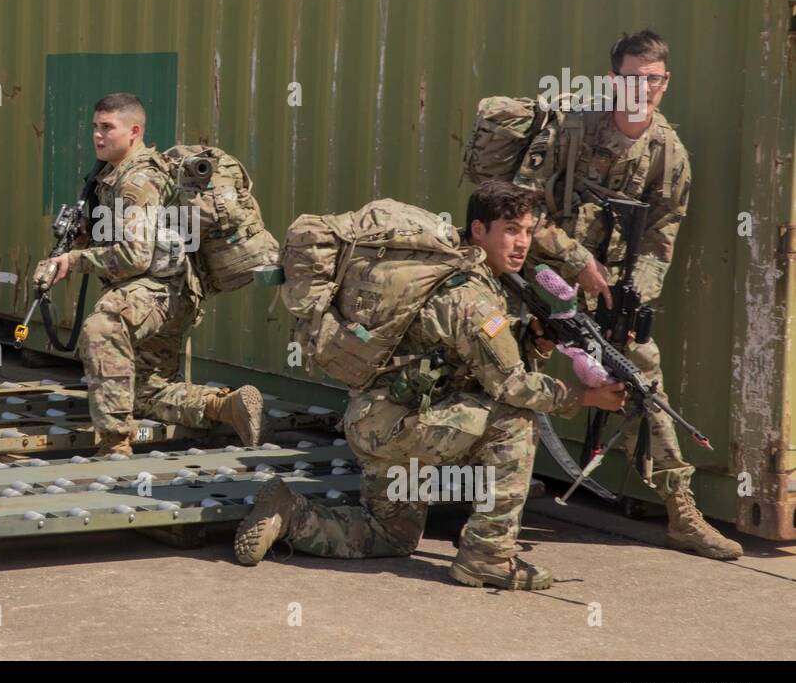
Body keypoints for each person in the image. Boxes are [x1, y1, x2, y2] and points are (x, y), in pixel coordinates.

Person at [233, 182, 628, 590]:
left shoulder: (458, 273)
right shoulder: (470, 297)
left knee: (391, 535)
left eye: (527, 231)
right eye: (510, 229)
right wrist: (585, 397)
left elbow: (468, 355)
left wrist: (533, 341)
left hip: (379, 421)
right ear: (479, 230)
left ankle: (289, 514)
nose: (522, 243)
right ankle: (487, 556)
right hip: (405, 426)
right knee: (514, 421)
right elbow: (511, 385)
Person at [514, 29, 740, 559]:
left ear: (667, 83)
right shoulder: (573, 129)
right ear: (615, 79)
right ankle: (488, 493)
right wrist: (576, 260)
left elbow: (661, 241)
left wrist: (632, 302)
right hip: (535, 277)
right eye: (635, 78)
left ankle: (682, 512)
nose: (646, 89)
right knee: (501, 370)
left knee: (643, 377)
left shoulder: (669, 154)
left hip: (608, 295)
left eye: (655, 79)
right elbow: (518, 210)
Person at [34, 92, 263, 456]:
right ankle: (223, 407)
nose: (98, 135)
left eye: (107, 128)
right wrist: (88, 235)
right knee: (144, 393)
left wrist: (73, 260)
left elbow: (134, 256)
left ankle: (114, 445)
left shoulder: (137, 181)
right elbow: (139, 237)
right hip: (171, 292)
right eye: (95, 127)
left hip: (156, 292)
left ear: (134, 131)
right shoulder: (116, 175)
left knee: (102, 328)